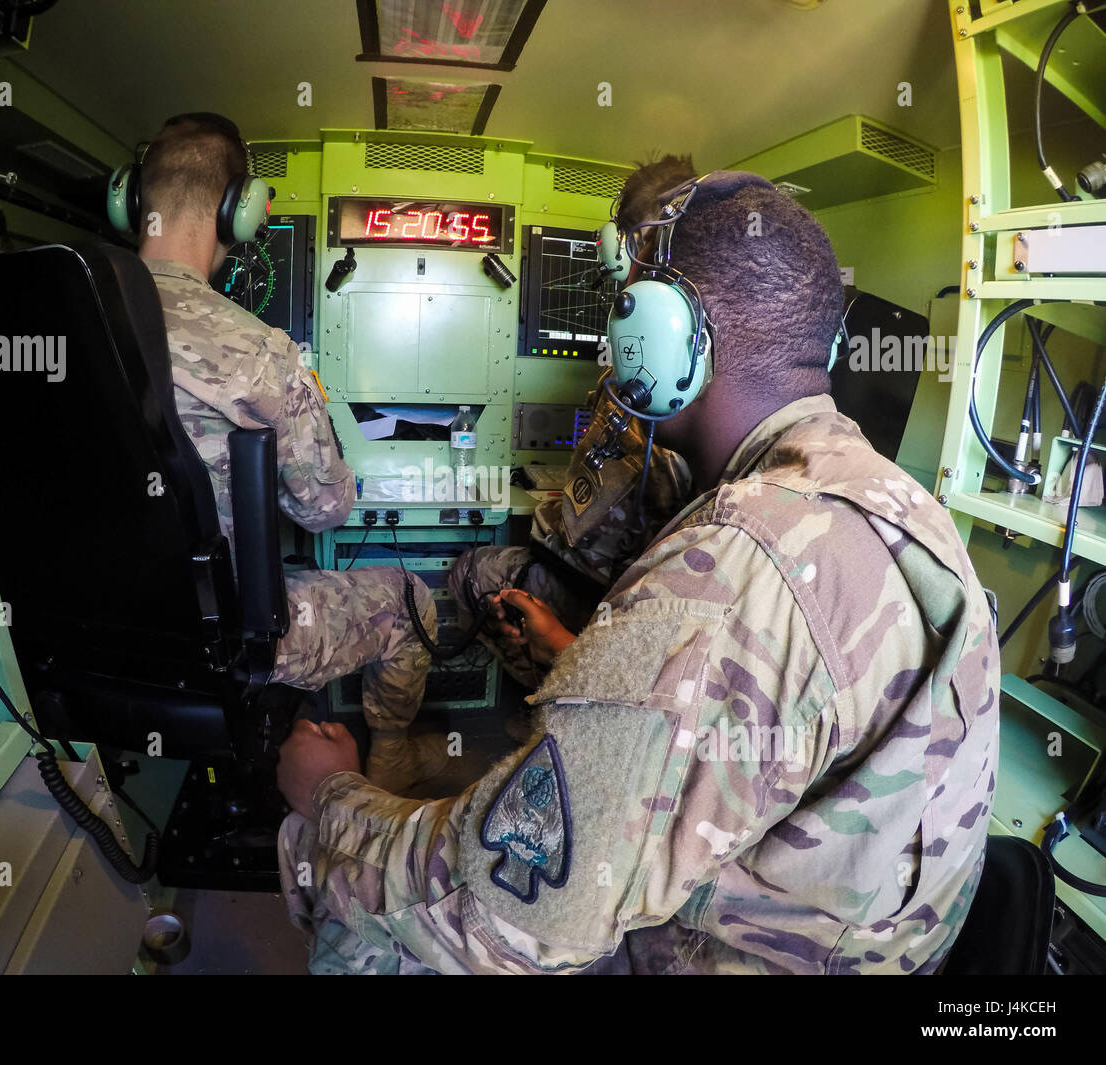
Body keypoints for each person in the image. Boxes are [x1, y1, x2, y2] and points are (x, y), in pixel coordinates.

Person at [273, 165, 999, 974]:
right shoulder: (888, 497)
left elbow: (505, 914)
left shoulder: (731, 567)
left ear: (658, 334)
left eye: (630, 309)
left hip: (699, 951)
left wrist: (330, 795)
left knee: (353, 929)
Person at [136, 113, 446, 793]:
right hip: (217, 637)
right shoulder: (259, 351)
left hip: (95, 627)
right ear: (238, 210)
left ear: (132, 199)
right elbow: (327, 509)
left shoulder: (65, 324)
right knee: (411, 601)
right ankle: (389, 750)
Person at [450, 155, 697, 693]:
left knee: (472, 572)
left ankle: (545, 695)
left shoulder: (642, 382)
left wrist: (564, 640)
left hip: (598, 594)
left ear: (621, 246)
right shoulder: (690, 363)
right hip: (624, 591)